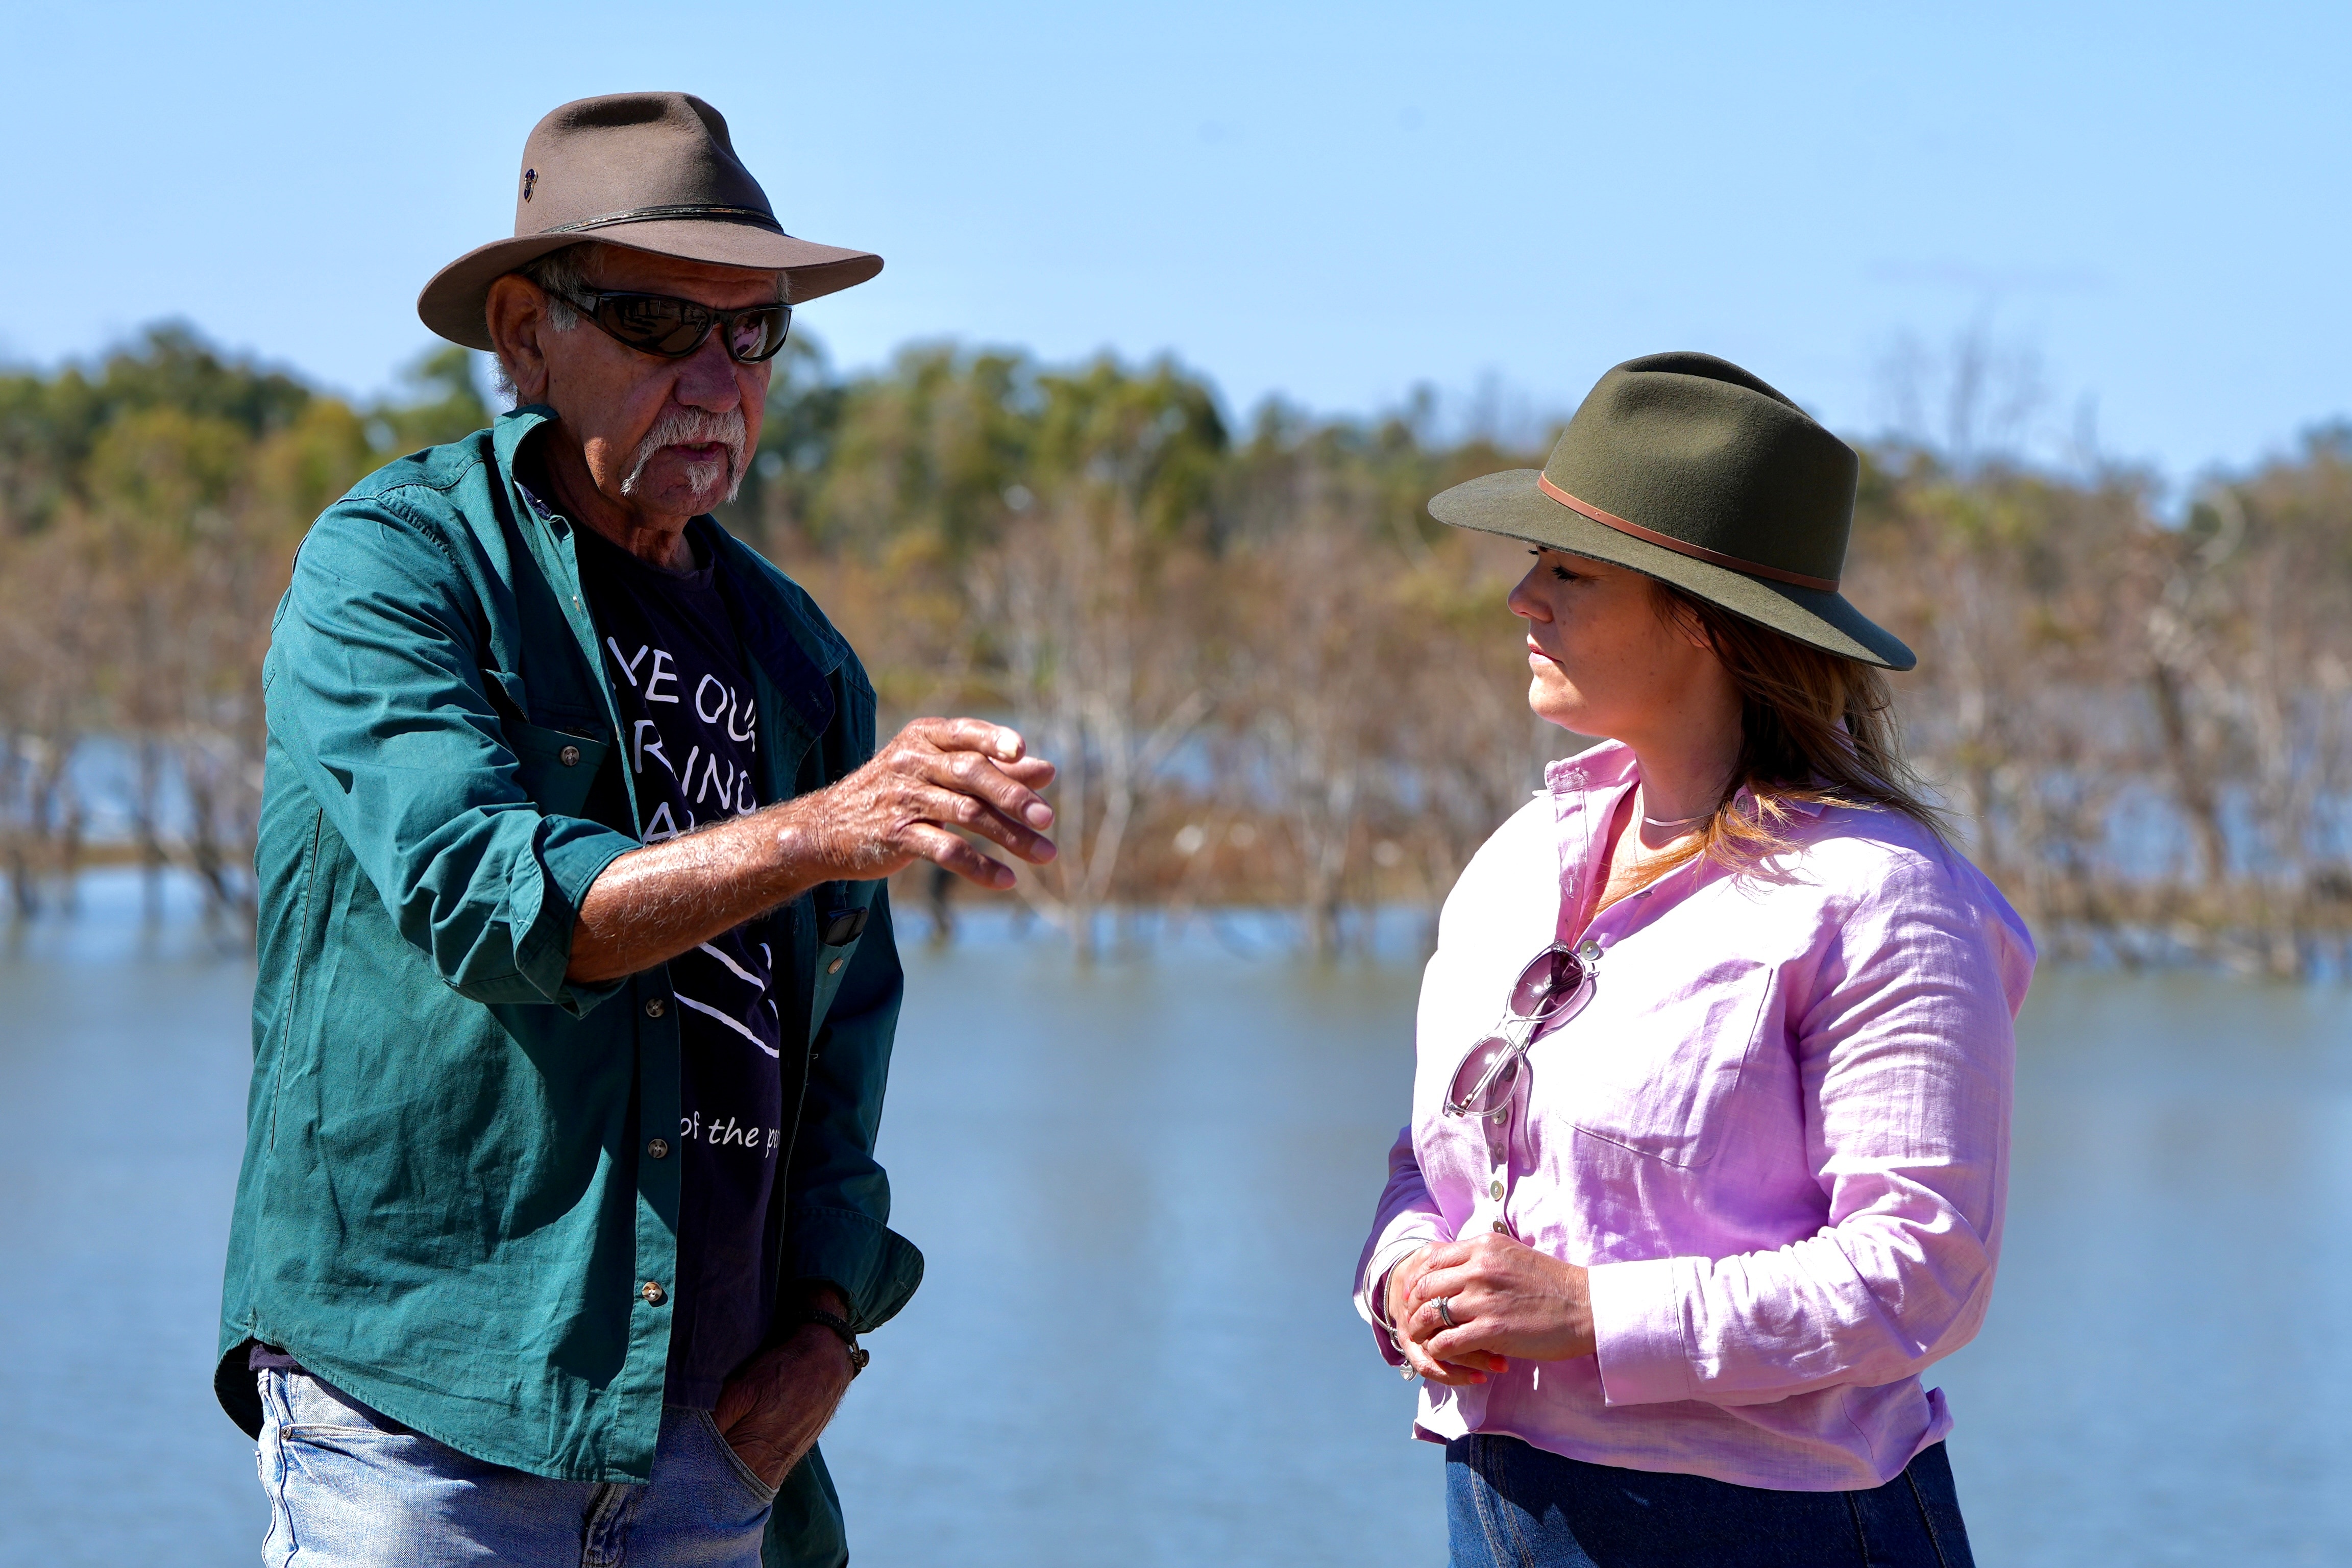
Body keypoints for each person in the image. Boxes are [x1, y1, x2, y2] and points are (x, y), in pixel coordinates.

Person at [214, 92, 1059, 1567]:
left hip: (713, 1449)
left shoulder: (800, 663)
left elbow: (843, 1047)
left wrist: (823, 1327)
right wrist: (823, 832)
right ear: (525, 334)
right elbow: (494, 905)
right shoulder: (398, 570)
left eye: (756, 332)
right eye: (663, 324)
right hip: (427, 1424)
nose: (719, 377)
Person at [1355, 353, 2033, 1567]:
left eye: (1568, 570)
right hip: (1501, 1505)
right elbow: (1432, 1160)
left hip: (1783, 1530)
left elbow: (1920, 1273)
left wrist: (1595, 1314)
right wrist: (1407, 1281)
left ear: (1706, 619)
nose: (1523, 597)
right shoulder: (1521, 858)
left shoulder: (1880, 897)